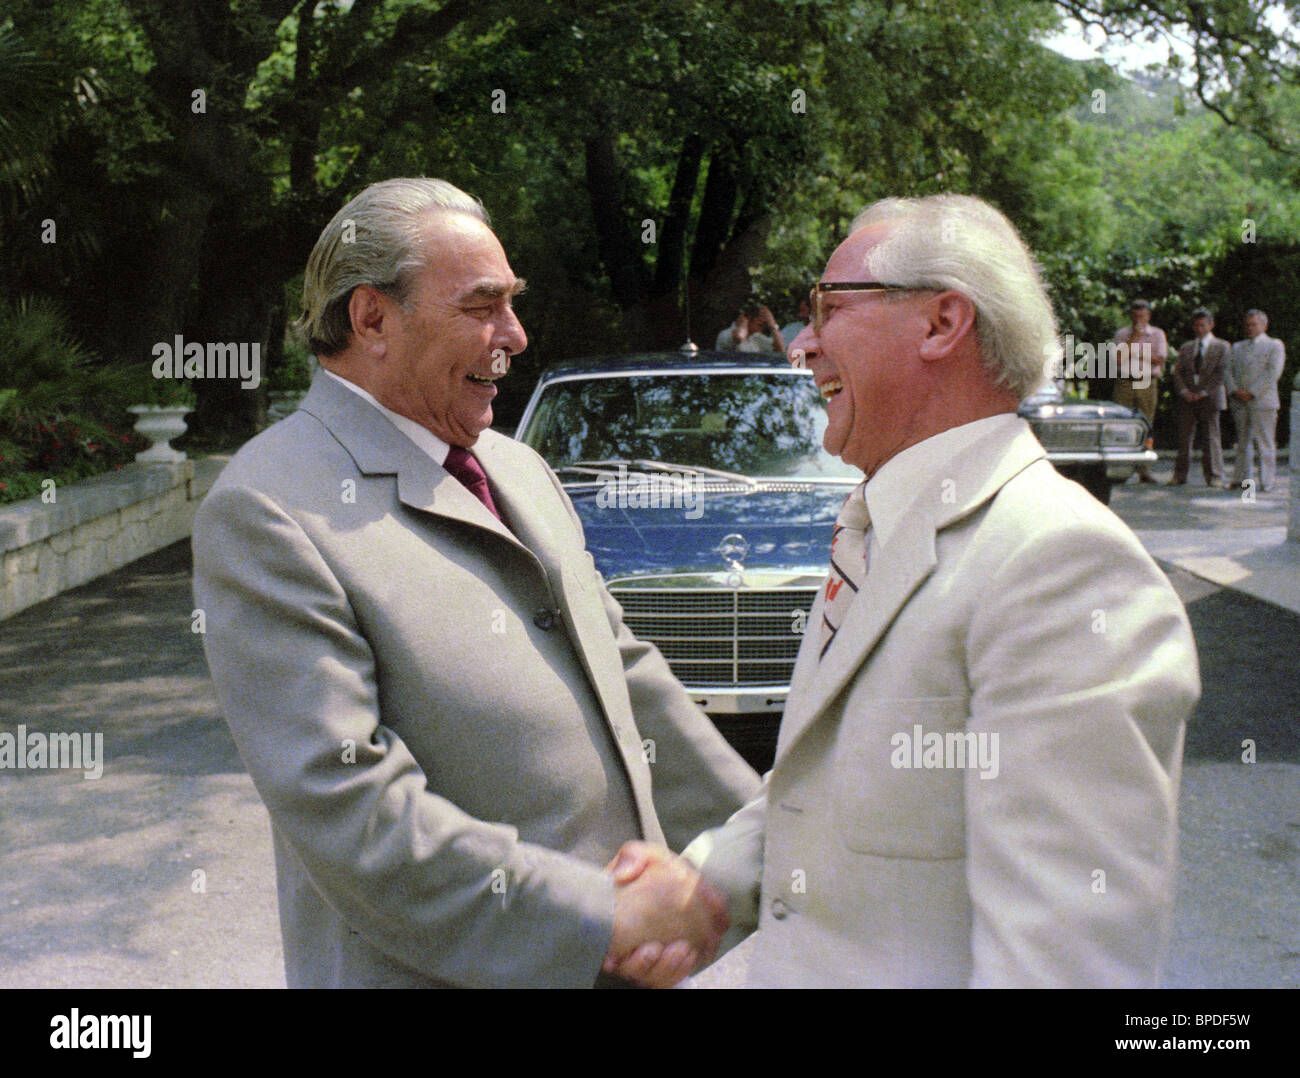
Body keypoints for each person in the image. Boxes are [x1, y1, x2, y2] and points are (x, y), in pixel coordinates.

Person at [609, 194, 1200, 987]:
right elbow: (830, 781)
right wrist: (702, 883)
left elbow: (1062, 967)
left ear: (939, 324)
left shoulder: (1060, 565)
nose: (804, 345)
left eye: (827, 306)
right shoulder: (888, 520)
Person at [191, 177, 760, 989]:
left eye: (513, 303)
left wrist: (767, 850)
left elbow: (628, 680)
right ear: (373, 318)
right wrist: (595, 916)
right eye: (482, 305)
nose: (517, 335)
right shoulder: (267, 508)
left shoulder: (517, 469)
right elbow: (349, 808)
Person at [1226, 309, 1287, 492]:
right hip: (1240, 401)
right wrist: (1235, 390)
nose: (1250, 328)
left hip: (1263, 401)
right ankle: (1244, 481)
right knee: (1243, 443)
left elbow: (1273, 372)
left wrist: (1252, 392)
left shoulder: (1274, 345)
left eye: (1254, 324)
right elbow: (1227, 372)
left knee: (1265, 442)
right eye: (1247, 324)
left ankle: (1267, 482)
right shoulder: (1237, 347)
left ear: (1264, 325)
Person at [1169, 308, 1229, 487]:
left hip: (1209, 398)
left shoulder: (1222, 346)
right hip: (1188, 397)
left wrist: (1203, 392)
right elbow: (1177, 373)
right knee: (1184, 438)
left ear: (1211, 325)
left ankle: (1214, 476)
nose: (1199, 328)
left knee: (1211, 438)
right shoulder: (1186, 347)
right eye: (1196, 325)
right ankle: (1179, 475)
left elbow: (1221, 374)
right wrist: (1184, 391)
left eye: (1203, 325)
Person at [1111, 299, 1167, 482]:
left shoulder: (1157, 334)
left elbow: (1159, 359)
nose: (1138, 320)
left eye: (1142, 316)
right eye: (1135, 316)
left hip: (1146, 380)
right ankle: (1122, 468)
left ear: (1148, 316)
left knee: (1146, 424)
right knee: (1122, 423)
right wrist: (1134, 339)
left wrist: (1137, 354)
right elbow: (1119, 359)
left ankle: (1145, 469)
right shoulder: (1122, 334)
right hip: (1126, 381)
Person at [715, 305, 785, 353]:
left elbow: (781, 350)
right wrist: (743, 322)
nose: (761, 329)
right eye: (760, 325)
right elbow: (739, 337)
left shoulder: (757, 337)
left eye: (764, 325)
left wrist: (773, 326)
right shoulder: (726, 334)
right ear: (748, 320)